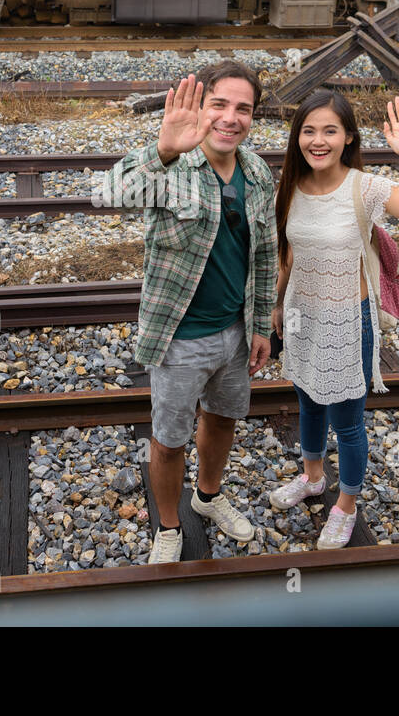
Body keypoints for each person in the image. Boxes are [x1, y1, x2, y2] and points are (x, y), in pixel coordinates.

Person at [102, 60, 276, 564]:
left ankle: (208, 496)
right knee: (170, 437)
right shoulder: (172, 164)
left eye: (243, 108)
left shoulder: (257, 171)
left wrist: (261, 324)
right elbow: (108, 195)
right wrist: (161, 150)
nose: (230, 118)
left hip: (236, 332)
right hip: (179, 336)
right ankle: (169, 525)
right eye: (219, 104)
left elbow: (263, 255)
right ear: (200, 108)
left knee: (223, 420)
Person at [268, 90, 399, 548]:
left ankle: (346, 504)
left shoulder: (366, 188)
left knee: (347, 422)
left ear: (348, 137)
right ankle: (313, 478)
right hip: (301, 315)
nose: (318, 140)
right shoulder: (289, 185)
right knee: (308, 403)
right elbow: (287, 253)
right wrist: (275, 304)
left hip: (349, 320)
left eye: (330, 130)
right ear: (297, 138)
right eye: (308, 130)